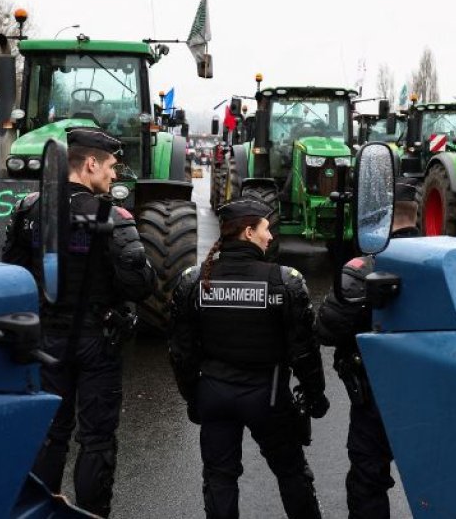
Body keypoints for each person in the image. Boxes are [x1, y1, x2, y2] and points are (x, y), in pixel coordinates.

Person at [3, 127, 157, 517]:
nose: (114, 175)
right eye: (110, 166)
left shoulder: (28, 208)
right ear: (90, 164)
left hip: (47, 340)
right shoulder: (113, 216)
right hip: (96, 341)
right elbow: (139, 284)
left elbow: (13, 273)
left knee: (51, 434)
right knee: (97, 439)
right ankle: (92, 514)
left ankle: (38, 511)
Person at [169, 198, 327, 519]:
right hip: (266, 398)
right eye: (265, 229)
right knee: (291, 472)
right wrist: (315, 397)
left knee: (219, 477)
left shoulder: (193, 281)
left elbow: (181, 353)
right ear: (248, 231)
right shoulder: (284, 281)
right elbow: (304, 352)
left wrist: (193, 397)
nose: (270, 237)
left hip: (213, 395)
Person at [316, 180, 420, 519]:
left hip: (375, 393)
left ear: (381, 218)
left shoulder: (365, 267)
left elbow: (326, 329)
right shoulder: (440, 259)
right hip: (431, 393)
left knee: (368, 477)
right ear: (415, 215)